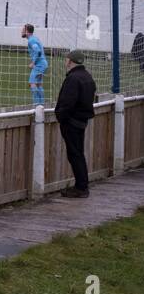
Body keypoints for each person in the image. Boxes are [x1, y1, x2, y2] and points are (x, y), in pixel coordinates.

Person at [55, 50, 96, 198]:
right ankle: (82, 185)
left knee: (75, 154)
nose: (65, 61)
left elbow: (67, 102)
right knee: (78, 153)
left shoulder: (73, 79)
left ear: (70, 61)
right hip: (81, 121)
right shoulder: (87, 77)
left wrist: (60, 116)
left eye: (66, 59)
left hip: (72, 122)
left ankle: (81, 187)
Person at [23, 24, 48, 105]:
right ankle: (42, 104)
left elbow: (38, 51)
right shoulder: (34, 38)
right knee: (38, 84)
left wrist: (33, 63)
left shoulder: (31, 40)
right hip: (43, 64)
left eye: (23, 30)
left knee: (32, 83)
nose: (21, 31)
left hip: (39, 65)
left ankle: (37, 105)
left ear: (27, 31)